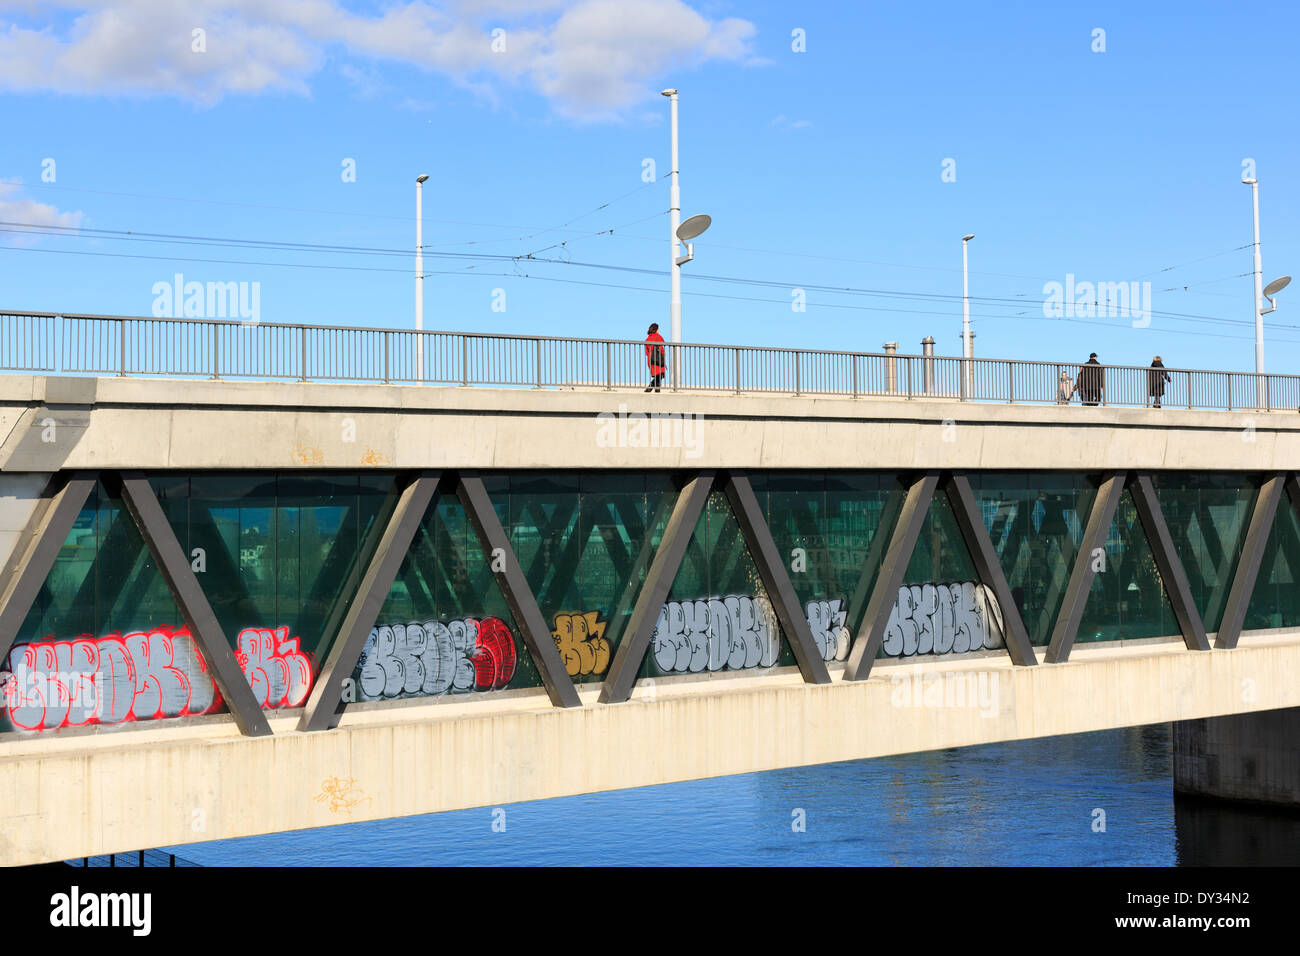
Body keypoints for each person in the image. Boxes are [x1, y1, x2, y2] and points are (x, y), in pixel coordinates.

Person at [644, 323, 666, 392]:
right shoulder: (658, 337)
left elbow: (646, 352)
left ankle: (650, 389)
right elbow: (661, 348)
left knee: (657, 376)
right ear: (656, 329)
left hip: (651, 359)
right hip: (658, 359)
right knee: (659, 375)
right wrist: (663, 356)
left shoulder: (647, 339)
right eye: (658, 329)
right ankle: (653, 390)